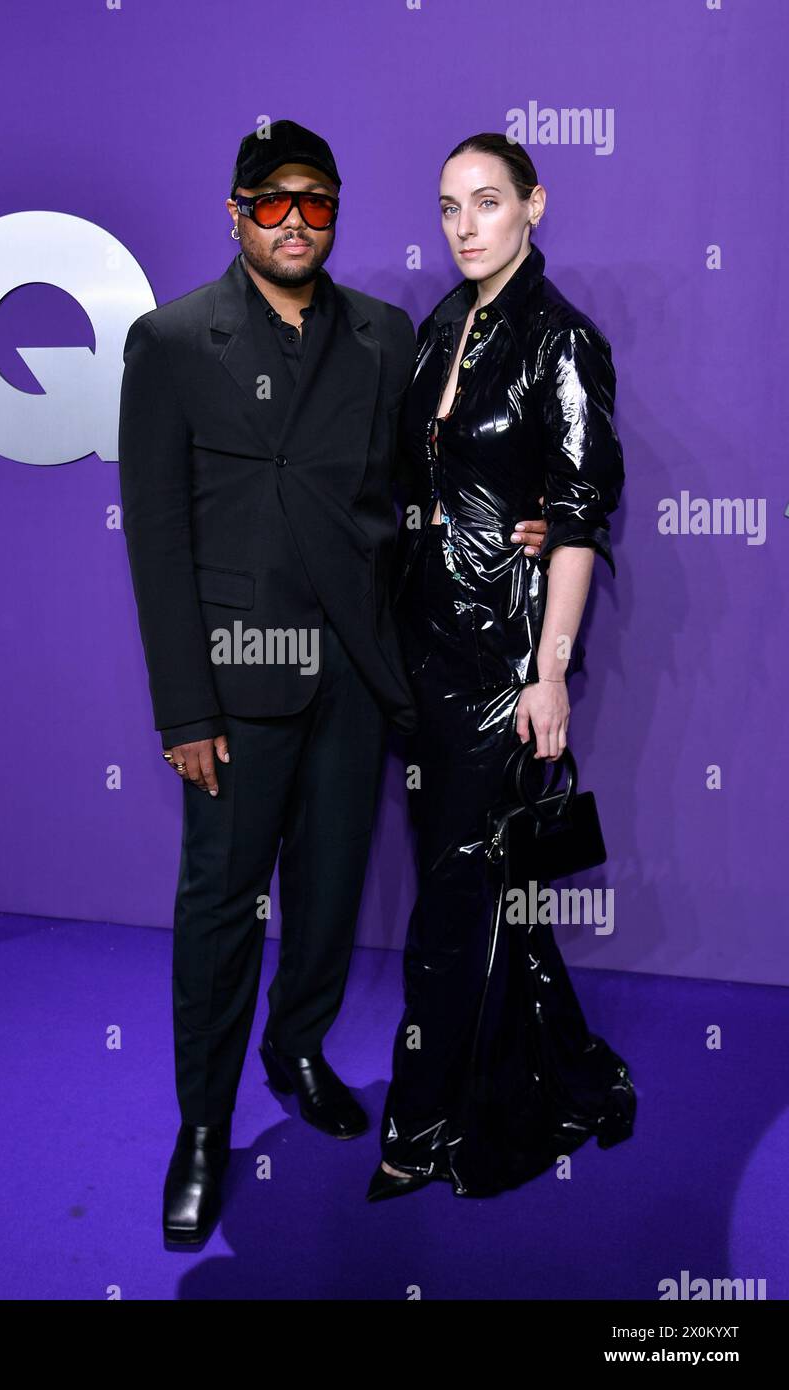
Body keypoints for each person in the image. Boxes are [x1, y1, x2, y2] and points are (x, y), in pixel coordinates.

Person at [118, 118, 553, 1246]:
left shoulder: (383, 334)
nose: (296, 220)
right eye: (273, 201)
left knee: (326, 893)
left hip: (358, 678)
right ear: (236, 211)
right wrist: (183, 707)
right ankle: (203, 1128)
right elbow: (157, 541)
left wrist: (525, 517)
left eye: (317, 201)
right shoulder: (169, 342)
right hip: (234, 685)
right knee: (220, 909)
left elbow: (433, 474)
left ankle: (298, 1046)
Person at [368, 133, 636, 1202]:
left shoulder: (562, 339)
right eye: (447, 207)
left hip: (503, 657)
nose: (465, 225)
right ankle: (574, 1078)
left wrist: (551, 671)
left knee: (450, 899)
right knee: (489, 888)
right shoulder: (443, 327)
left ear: (534, 204)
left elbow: (576, 520)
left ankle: (423, 1124)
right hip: (422, 644)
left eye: (486, 202)